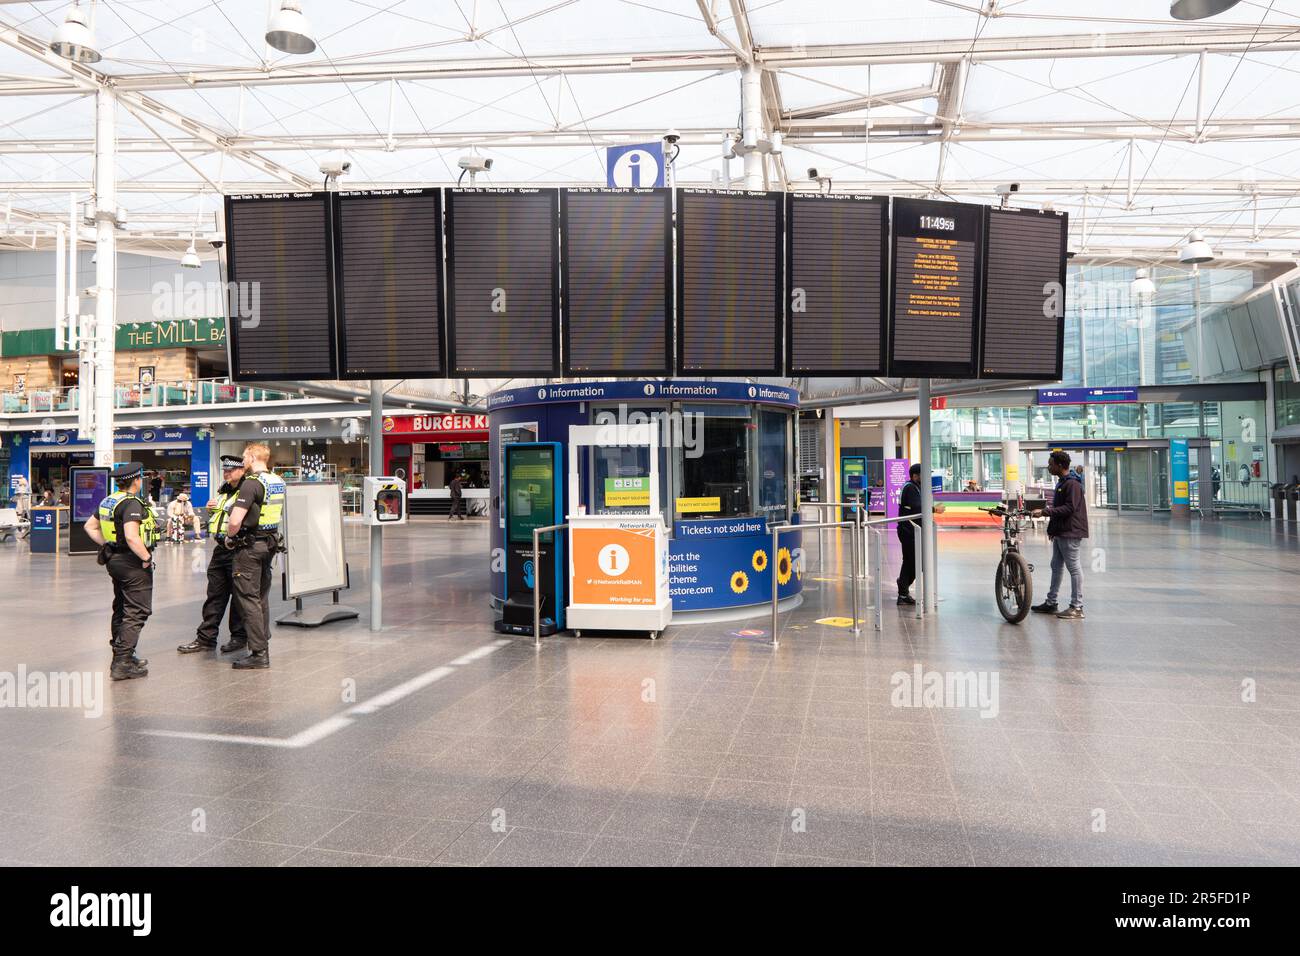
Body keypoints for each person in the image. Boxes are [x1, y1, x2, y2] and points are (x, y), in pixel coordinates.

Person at [83, 462, 158, 681]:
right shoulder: (131, 504)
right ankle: (122, 662)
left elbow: (90, 526)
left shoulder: (109, 500)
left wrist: (108, 544)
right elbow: (133, 536)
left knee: (122, 607)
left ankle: (121, 654)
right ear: (137, 480)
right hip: (132, 561)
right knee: (137, 611)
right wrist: (147, 557)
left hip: (114, 560)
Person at [177, 456, 248, 656]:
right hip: (220, 548)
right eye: (224, 470)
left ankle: (239, 637)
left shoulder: (247, 490)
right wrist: (212, 510)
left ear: (241, 470)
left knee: (239, 597)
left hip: (237, 548)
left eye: (230, 470)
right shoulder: (224, 491)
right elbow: (222, 516)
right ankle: (206, 639)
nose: (226, 474)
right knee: (215, 595)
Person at [223, 443, 285, 670]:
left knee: (247, 599)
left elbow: (235, 520)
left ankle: (259, 653)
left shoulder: (252, 483)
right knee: (260, 597)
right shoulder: (277, 481)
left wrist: (230, 537)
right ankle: (261, 642)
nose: (242, 461)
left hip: (249, 548)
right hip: (268, 545)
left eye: (243, 457)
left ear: (251, 456)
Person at [1032, 450, 1089, 620]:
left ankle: (1077, 607)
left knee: (1074, 567)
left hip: (1070, 531)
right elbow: (1061, 509)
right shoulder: (1063, 483)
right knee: (1056, 566)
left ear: (1059, 465)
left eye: (1051, 464)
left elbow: (1069, 508)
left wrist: (1044, 512)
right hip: (1062, 531)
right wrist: (1052, 530)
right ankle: (1051, 602)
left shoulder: (1072, 484)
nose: (1049, 467)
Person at [896, 463, 944, 605]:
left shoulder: (916, 487)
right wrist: (934, 509)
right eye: (924, 474)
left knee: (913, 562)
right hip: (908, 532)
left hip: (913, 531)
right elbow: (917, 507)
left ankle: (903, 590)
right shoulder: (910, 487)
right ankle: (903, 590)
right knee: (915, 562)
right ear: (916, 476)